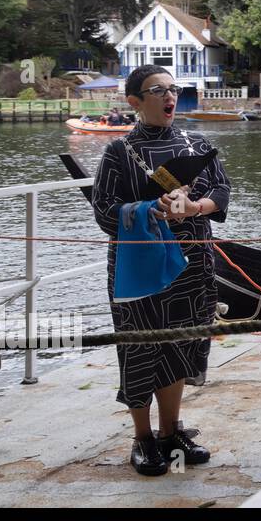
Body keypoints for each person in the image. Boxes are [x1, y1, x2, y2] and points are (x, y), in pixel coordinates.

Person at [90, 64, 231, 476]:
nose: (170, 96)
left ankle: (171, 433)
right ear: (134, 102)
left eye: (174, 89)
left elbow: (220, 191)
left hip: (192, 262)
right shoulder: (118, 152)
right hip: (140, 268)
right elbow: (103, 211)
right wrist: (151, 209)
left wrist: (194, 207)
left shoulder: (195, 141)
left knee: (182, 344)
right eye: (157, 90)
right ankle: (142, 437)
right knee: (140, 347)